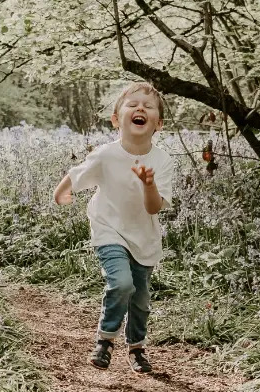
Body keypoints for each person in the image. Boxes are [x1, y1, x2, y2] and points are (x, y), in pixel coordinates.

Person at [53, 82, 176, 373]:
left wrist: (149, 184)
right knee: (121, 283)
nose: (139, 109)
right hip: (108, 228)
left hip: (143, 236)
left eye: (147, 106)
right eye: (132, 104)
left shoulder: (163, 161)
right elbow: (77, 173)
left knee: (140, 298)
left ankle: (136, 348)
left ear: (158, 123)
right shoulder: (106, 154)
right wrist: (60, 193)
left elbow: (154, 207)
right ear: (115, 119)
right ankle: (105, 340)